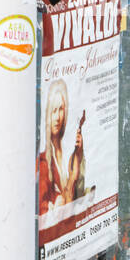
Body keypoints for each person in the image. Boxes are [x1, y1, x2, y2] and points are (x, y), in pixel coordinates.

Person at [38, 79, 85, 215]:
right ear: (47, 114)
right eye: (53, 111)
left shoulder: (70, 148)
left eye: (61, 109)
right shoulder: (43, 161)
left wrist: (77, 162)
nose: (58, 117)